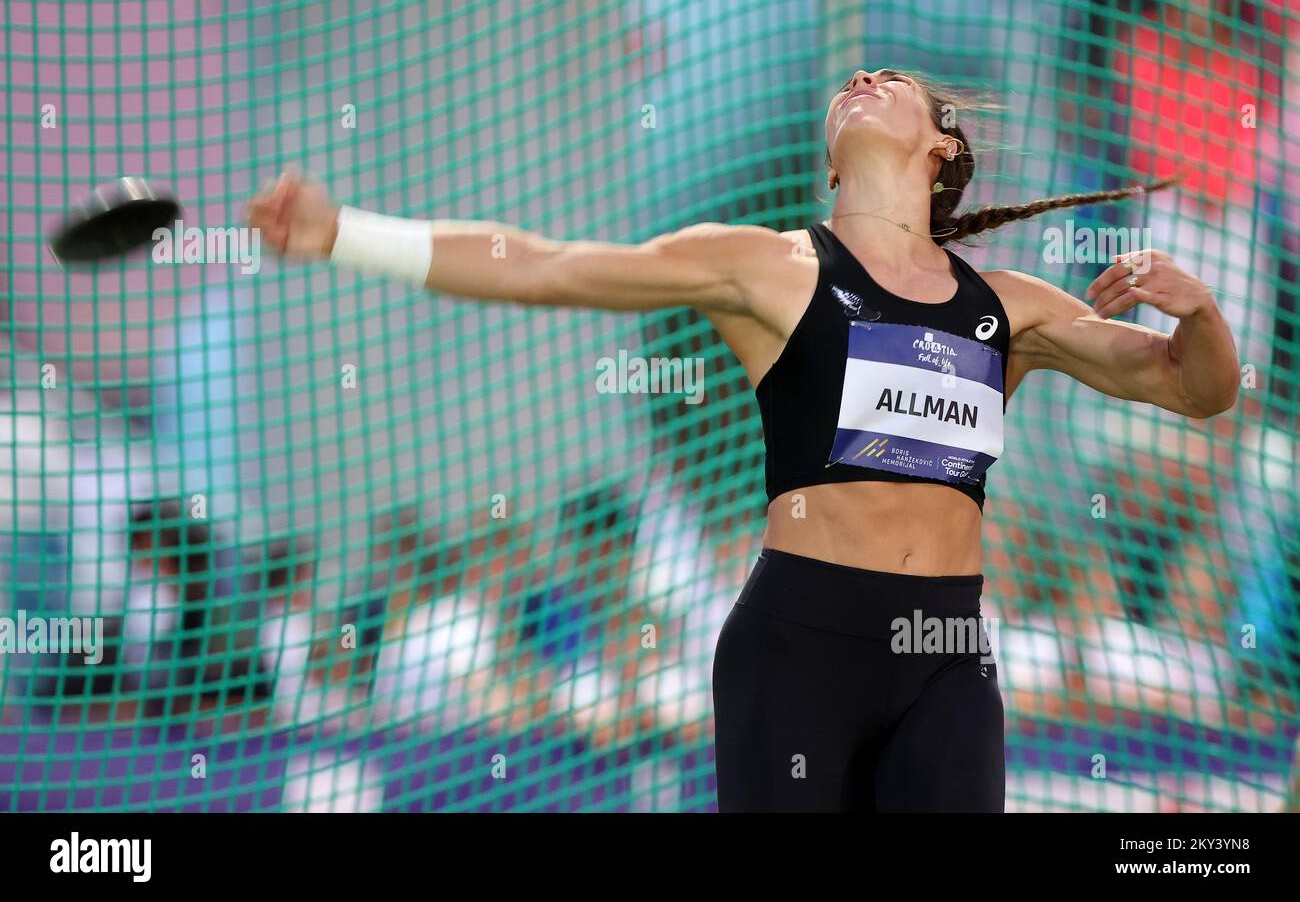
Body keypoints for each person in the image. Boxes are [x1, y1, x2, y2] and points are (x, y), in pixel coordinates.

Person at [246, 67, 1240, 811]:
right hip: (796, 643)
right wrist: (344, 232)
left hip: (944, 650)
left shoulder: (1009, 307)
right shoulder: (765, 268)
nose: (864, 80)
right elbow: (544, 265)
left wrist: (1197, 311)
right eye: (856, 80)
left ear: (940, 148)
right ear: (827, 157)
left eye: (892, 84)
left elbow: (1194, 388)